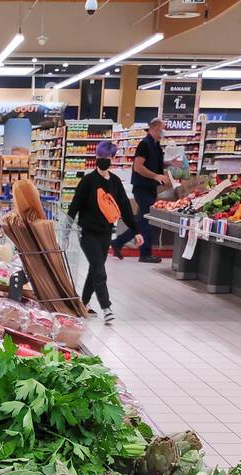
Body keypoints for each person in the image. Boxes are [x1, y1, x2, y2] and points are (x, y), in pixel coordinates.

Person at [67, 139, 139, 325]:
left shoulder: (115, 182)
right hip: (87, 233)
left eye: (107, 157)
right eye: (100, 156)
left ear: (112, 158)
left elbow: (124, 207)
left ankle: (82, 304)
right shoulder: (87, 181)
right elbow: (74, 207)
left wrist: (136, 231)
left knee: (94, 268)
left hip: (106, 233)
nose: (103, 160)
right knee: (100, 269)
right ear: (96, 157)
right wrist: (66, 233)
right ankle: (106, 307)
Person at [113, 117, 172, 263]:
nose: (163, 132)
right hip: (142, 188)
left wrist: (170, 163)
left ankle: (118, 242)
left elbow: (154, 162)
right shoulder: (144, 145)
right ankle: (145, 254)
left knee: (141, 221)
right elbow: (138, 167)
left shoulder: (156, 145)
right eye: (162, 129)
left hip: (150, 187)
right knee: (146, 220)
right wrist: (155, 176)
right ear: (155, 128)